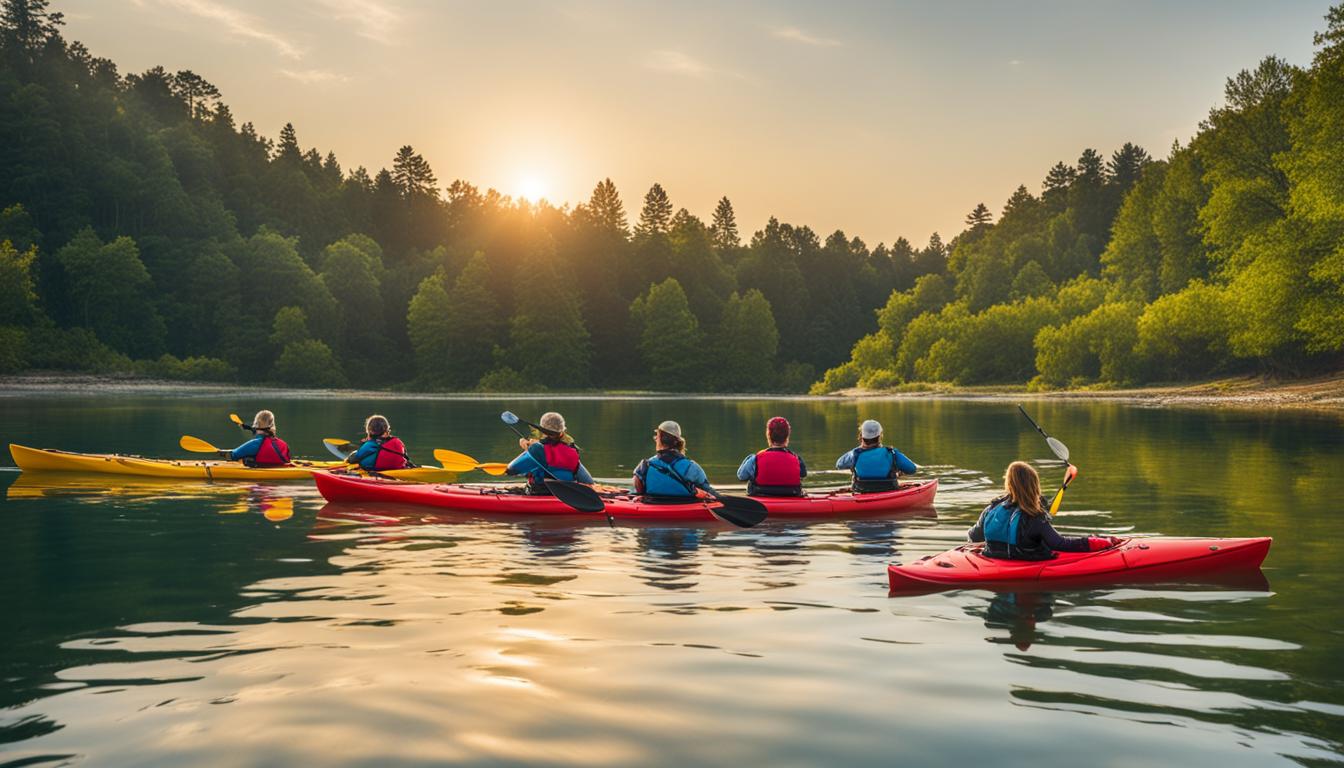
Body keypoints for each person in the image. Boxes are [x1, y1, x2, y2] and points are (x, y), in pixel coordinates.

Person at [967, 461, 1118, 560]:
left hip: (994, 560)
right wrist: (1100, 542)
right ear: (1034, 485)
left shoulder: (991, 509)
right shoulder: (1034, 518)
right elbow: (1060, 544)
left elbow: (973, 536)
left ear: (1008, 483)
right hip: (1026, 565)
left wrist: (1065, 483)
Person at [506, 411, 594, 495]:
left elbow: (511, 470)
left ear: (542, 431)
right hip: (566, 492)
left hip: (541, 492)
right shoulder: (572, 449)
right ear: (563, 430)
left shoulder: (537, 449)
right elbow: (588, 481)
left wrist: (528, 450)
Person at [633, 420, 717, 500]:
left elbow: (638, 489)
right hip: (686, 505)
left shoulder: (645, 466)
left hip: (652, 504)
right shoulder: (692, 467)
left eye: (656, 437)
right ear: (677, 441)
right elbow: (708, 491)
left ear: (660, 438)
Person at [835, 419, 917, 493]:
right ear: (880, 436)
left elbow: (839, 465)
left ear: (861, 436)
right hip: (889, 490)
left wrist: (860, 449)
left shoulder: (855, 454)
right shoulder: (892, 453)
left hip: (861, 491)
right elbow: (912, 469)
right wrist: (898, 471)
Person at [736, 416, 808, 496]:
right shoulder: (797, 459)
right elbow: (803, 474)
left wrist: (750, 458)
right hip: (791, 493)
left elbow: (741, 476)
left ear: (768, 435)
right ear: (787, 436)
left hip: (760, 493)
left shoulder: (756, 458)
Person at [220, 410, 291, 467]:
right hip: (283, 469)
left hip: (260, 473)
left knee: (245, 458)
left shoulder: (255, 443)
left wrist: (221, 453)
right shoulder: (283, 444)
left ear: (256, 424)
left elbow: (233, 456)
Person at [347, 414, 413, 472]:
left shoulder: (370, 444)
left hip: (374, 471)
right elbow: (406, 458)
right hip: (397, 470)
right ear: (387, 431)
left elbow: (352, 459)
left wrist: (354, 453)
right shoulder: (398, 442)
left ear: (369, 431)